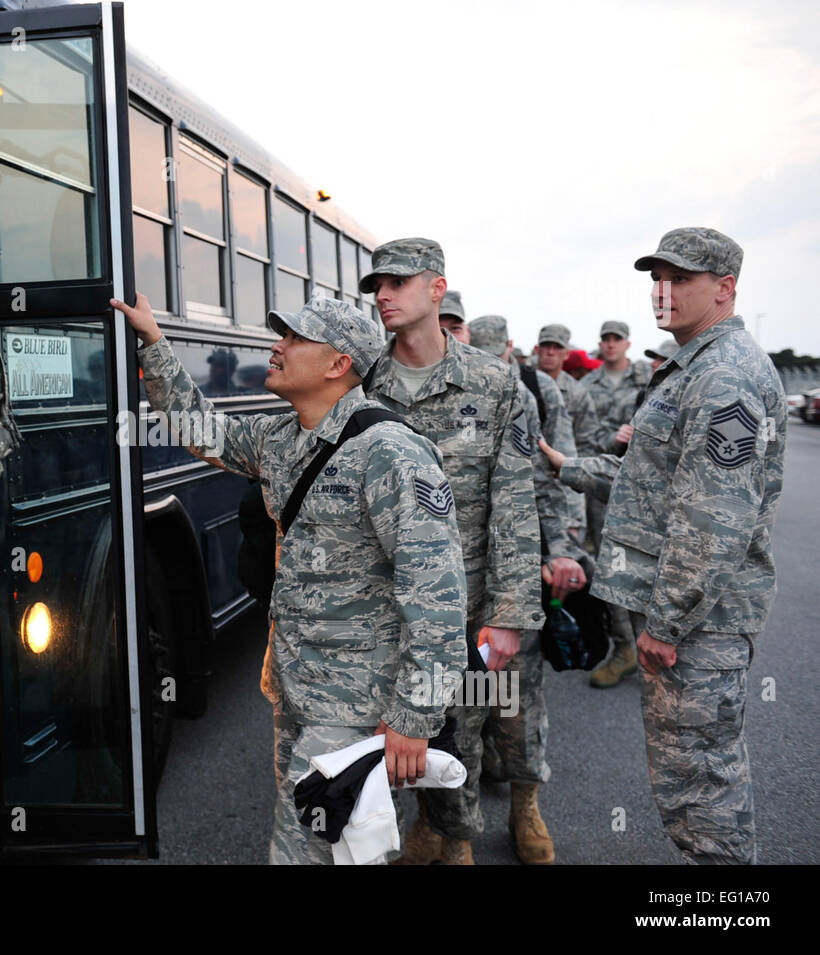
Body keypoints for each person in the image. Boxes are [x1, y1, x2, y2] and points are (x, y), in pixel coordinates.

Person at [111, 291, 468, 865]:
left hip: (356, 703)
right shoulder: (284, 439)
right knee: (339, 852)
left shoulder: (390, 452)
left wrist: (415, 716)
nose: (277, 348)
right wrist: (154, 343)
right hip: (297, 689)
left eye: (296, 339)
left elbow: (438, 595)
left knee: (305, 850)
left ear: (338, 364)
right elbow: (202, 429)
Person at [541, 227, 785, 864]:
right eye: (658, 277)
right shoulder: (695, 367)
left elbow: (713, 519)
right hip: (691, 618)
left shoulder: (724, 375)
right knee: (693, 782)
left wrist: (669, 623)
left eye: (682, 279)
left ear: (726, 289)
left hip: (700, 624)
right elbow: (651, 477)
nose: (663, 291)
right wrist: (567, 465)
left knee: (702, 789)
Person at [358, 238, 542, 865]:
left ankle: (468, 836)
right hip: (382, 600)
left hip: (466, 601)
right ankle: (432, 826)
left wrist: (510, 611)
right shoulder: (362, 382)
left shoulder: (494, 384)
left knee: (471, 723)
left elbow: (515, 503)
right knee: (403, 728)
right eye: (376, 284)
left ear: (437, 288)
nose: (382, 294)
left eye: (398, 282)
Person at [466, 315, 587, 863]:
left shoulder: (531, 392)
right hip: (455, 577)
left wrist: (561, 549)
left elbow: (552, 475)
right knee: (466, 703)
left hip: (516, 568)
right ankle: (449, 826)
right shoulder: (444, 388)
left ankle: (524, 805)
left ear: (509, 350)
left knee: (517, 700)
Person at [578, 321, 652, 687]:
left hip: (644, 489)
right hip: (602, 487)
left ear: (627, 343)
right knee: (609, 569)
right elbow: (581, 435)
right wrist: (612, 437)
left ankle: (653, 643)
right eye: (605, 339)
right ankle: (624, 648)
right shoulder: (586, 386)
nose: (610, 345)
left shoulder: (647, 382)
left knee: (647, 567)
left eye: (616, 339)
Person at [534, 323, 600, 540]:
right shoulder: (524, 383)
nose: (550, 352)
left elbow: (586, 442)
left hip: (564, 480)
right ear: (537, 350)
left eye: (557, 347)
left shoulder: (577, 393)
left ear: (566, 353)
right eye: (546, 346)